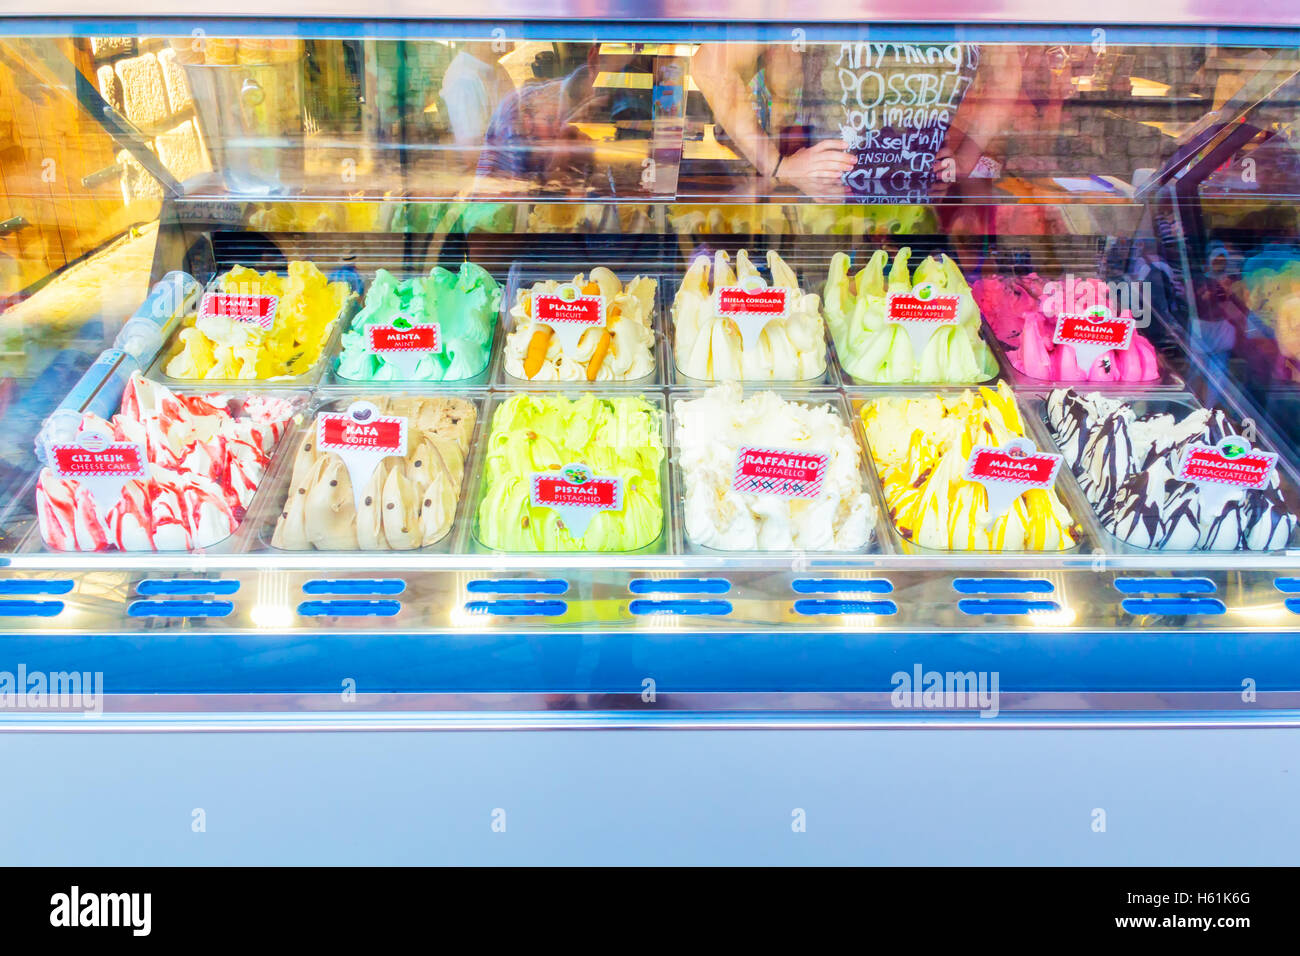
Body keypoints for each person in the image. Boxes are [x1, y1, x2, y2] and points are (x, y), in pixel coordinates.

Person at [691, 39, 1021, 202]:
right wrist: (778, 167)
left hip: (924, 218)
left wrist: (964, 159)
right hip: (825, 219)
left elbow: (1007, 73)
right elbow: (711, 64)